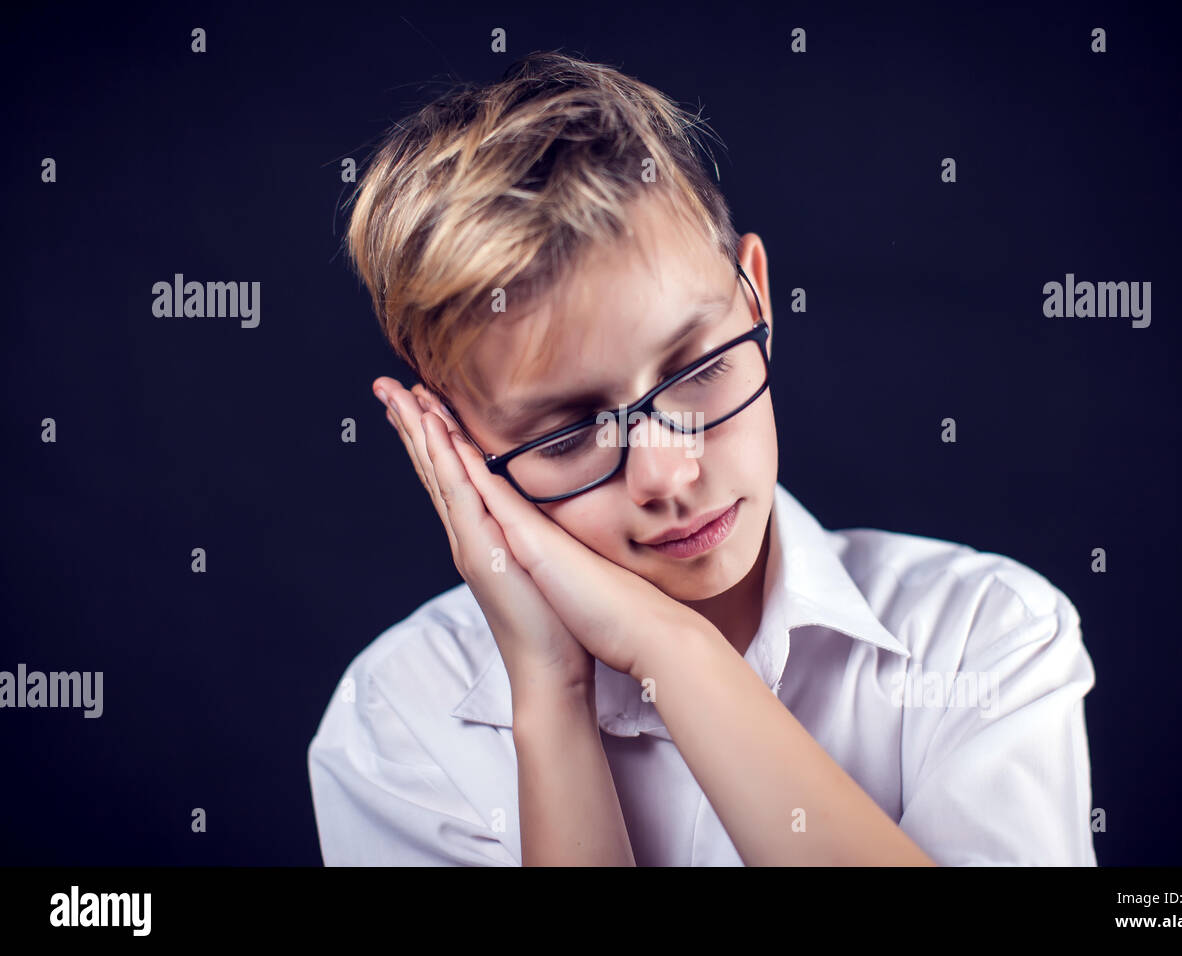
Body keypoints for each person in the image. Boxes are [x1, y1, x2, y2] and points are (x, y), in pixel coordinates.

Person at [307, 50, 1098, 866]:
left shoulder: (981, 637)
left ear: (755, 296)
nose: (668, 474)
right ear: (461, 451)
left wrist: (672, 652)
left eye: (698, 369)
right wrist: (551, 695)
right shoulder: (401, 720)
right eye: (568, 433)